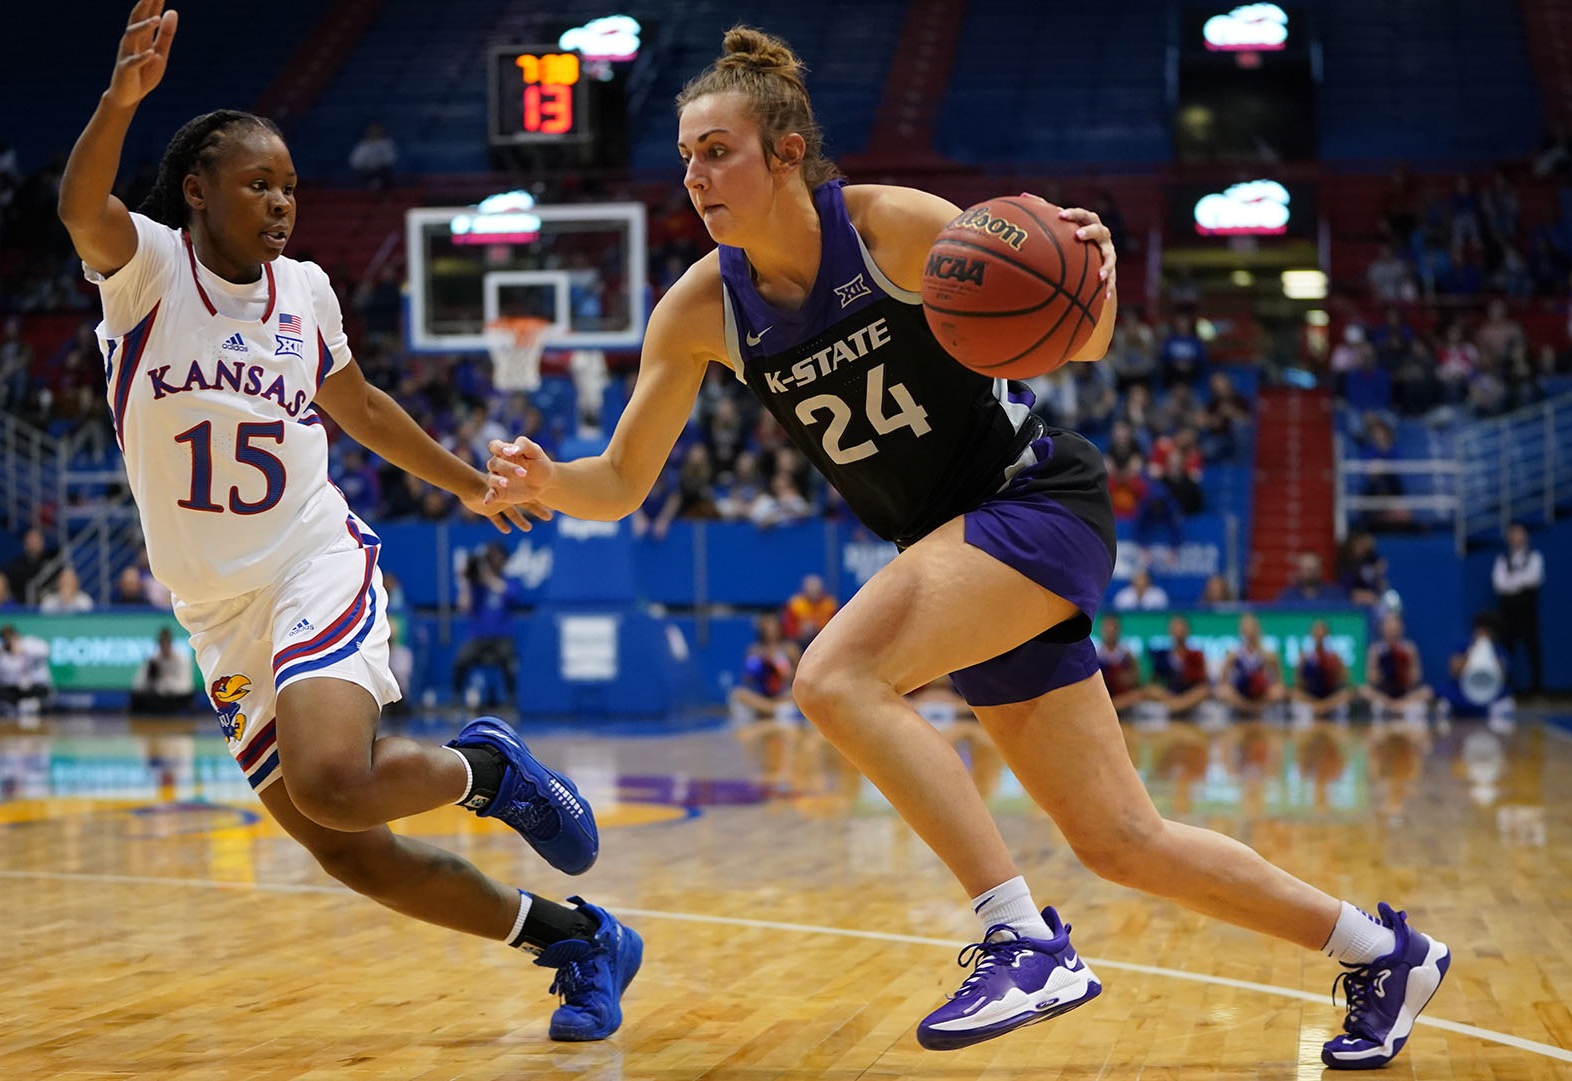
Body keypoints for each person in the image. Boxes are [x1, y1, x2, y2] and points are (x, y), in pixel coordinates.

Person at [477, 27, 1446, 1066]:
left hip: (1033, 502)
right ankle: (1384, 953)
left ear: (789, 150)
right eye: (686, 156)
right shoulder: (703, 309)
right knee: (1123, 840)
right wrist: (550, 483)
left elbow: (1081, 334)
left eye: (718, 150)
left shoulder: (895, 229)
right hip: (955, 550)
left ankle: (1021, 935)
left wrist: (1100, 269)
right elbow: (621, 481)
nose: (696, 175)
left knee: (835, 675)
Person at [56, 2, 637, 1042]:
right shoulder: (147, 271)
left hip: (311, 561)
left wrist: (466, 483)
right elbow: (78, 205)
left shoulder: (307, 292)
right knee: (346, 843)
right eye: (257, 183)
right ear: (197, 192)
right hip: (216, 607)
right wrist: (119, 100)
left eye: (289, 186)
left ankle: (490, 771)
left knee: (332, 777)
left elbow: (360, 409)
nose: (281, 202)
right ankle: (577, 939)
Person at [727, 611, 802, 795]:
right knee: (738, 694)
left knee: (796, 695)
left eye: (773, 626)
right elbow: (747, 678)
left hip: (784, 694)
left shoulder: (789, 648)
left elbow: (801, 675)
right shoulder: (755, 650)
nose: (770, 631)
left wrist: (782, 670)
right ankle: (769, 710)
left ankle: (771, 710)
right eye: (766, 627)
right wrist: (759, 668)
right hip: (763, 696)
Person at [452, 543, 520, 709]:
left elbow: (511, 596)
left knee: (510, 664)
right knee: (460, 662)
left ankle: (511, 701)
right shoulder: (476, 586)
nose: (493, 561)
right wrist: (465, 581)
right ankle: (456, 700)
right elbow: (463, 606)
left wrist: (488, 577)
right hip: (477, 636)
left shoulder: (510, 582)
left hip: (502, 636)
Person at [1490, 524, 1544, 696]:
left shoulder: (1534, 557)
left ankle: (1537, 688)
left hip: (1527, 611)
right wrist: (1519, 582)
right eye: (1513, 534)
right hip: (1508, 613)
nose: (1517, 537)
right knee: (1506, 650)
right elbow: (1500, 584)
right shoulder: (1502, 560)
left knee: (1533, 649)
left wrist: (1512, 581)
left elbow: (1533, 579)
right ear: (1508, 538)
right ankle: (1505, 687)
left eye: (1520, 533)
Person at [1359, 613, 1434, 717]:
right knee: (1364, 690)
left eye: (1394, 628)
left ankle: (1398, 706)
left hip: (1404, 694)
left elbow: (1416, 678)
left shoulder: (1409, 648)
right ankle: (1392, 707)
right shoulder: (1376, 650)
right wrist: (1381, 672)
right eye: (1388, 628)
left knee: (1427, 691)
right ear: (1382, 629)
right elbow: (1371, 678)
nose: (1391, 631)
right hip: (1384, 695)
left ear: (1401, 629)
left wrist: (1403, 669)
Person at [1213, 612, 1285, 718]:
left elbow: (1279, 681)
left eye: (1252, 628)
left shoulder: (1269, 656)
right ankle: (1249, 709)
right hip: (1240, 694)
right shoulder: (1233, 655)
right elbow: (1222, 681)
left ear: (1258, 630)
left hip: (1261, 695)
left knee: (1279, 691)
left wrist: (1266, 685)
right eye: (1246, 629)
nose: (1249, 632)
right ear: (1241, 631)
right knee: (1222, 691)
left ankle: (1255, 709)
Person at [0, 623, 55, 721]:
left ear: (16, 636)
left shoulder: (29, 643)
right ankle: (13, 705)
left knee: (42, 690)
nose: (9, 641)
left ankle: (30, 704)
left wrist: (23, 649)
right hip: (12, 688)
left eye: (10, 637)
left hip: (32, 686)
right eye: (5, 639)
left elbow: (46, 651)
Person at [1146, 614, 1211, 718]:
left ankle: (1177, 706)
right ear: (1170, 631)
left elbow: (1204, 681)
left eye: (1181, 628)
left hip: (1189, 694)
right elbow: (1153, 681)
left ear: (1188, 631)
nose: (1178, 631)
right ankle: (1178, 705)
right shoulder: (1162, 655)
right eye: (1175, 628)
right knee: (1150, 690)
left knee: (1203, 691)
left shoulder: (1196, 654)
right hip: (1170, 694)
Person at [1291, 619, 1355, 724]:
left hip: (1330, 700)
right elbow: (1298, 685)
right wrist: (1315, 705)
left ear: (1327, 634)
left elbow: (1345, 682)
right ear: (1312, 634)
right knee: (1295, 698)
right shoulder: (1304, 658)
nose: (1319, 635)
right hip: (1311, 700)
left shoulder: (1335, 657)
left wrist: (1326, 705)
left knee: (1346, 697)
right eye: (1316, 632)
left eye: (1322, 632)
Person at [130, 626, 196, 714]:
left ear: (171, 642)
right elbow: (138, 684)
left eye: (167, 642)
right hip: (158, 696)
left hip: (176, 697)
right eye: (162, 642)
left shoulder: (183, 659)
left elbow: (185, 685)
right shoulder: (153, 659)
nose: (164, 646)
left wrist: (164, 684)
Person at [1094, 612, 1147, 714]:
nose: (1110, 630)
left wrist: (1127, 678)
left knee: (1139, 695)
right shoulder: (1096, 654)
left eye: (1113, 627)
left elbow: (1137, 676)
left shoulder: (1126, 653)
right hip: (1103, 696)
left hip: (1123, 697)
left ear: (1118, 629)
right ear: (1102, 629)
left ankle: (1111, 707)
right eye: (1107, 627)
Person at [780, 573, 836, 648]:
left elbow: (835, 629)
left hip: (824, 641)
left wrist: (817, 627)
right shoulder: (795, 605)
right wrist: (800, 631)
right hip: (799, 641)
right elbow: (788, 631)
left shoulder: (829, 605)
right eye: (811, 590)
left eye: (816, 590)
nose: (813, 592)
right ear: (805, 590)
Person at [1279, 552, 1347, 604]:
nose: (1309, 574)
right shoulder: (1287, 596)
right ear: (1298, 571)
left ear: (1320, 570)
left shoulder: (1335, 595)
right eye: (1305, 569)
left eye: (1313, 569)